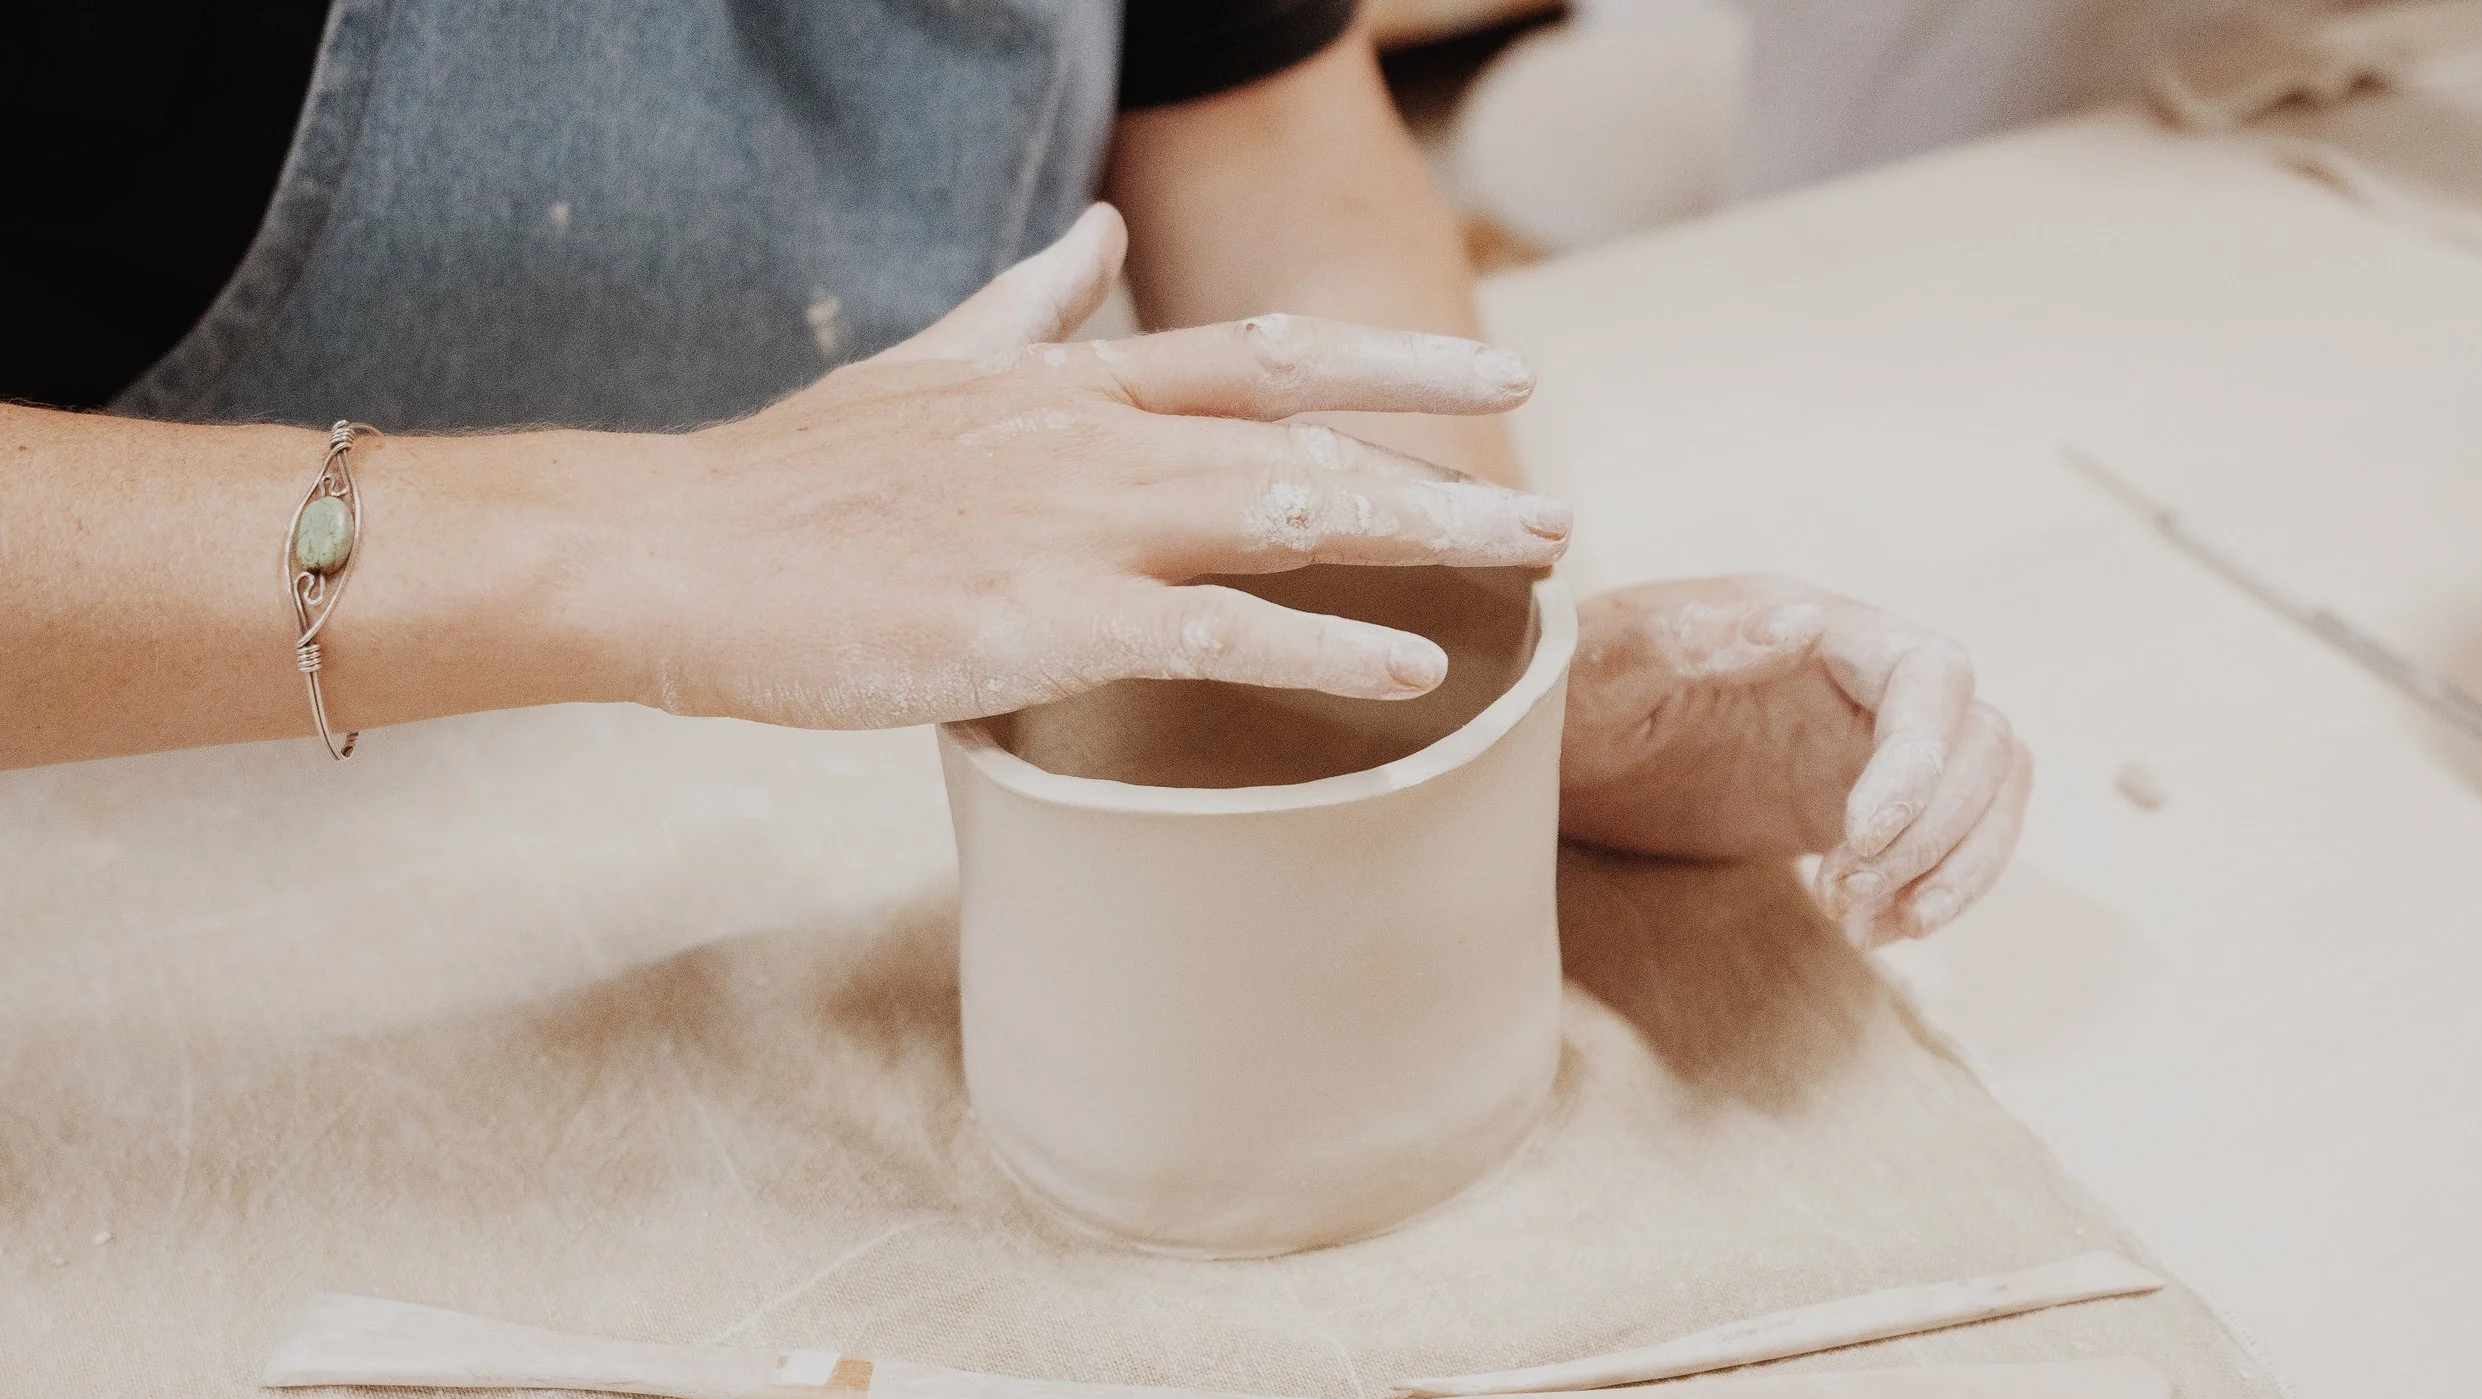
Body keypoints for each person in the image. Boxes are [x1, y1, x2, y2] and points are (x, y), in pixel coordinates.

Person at [0, 1, 2026, 947]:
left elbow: (1272, 163)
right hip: (178, 903)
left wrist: (1470, 686)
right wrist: (668, 539)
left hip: (859, 877)